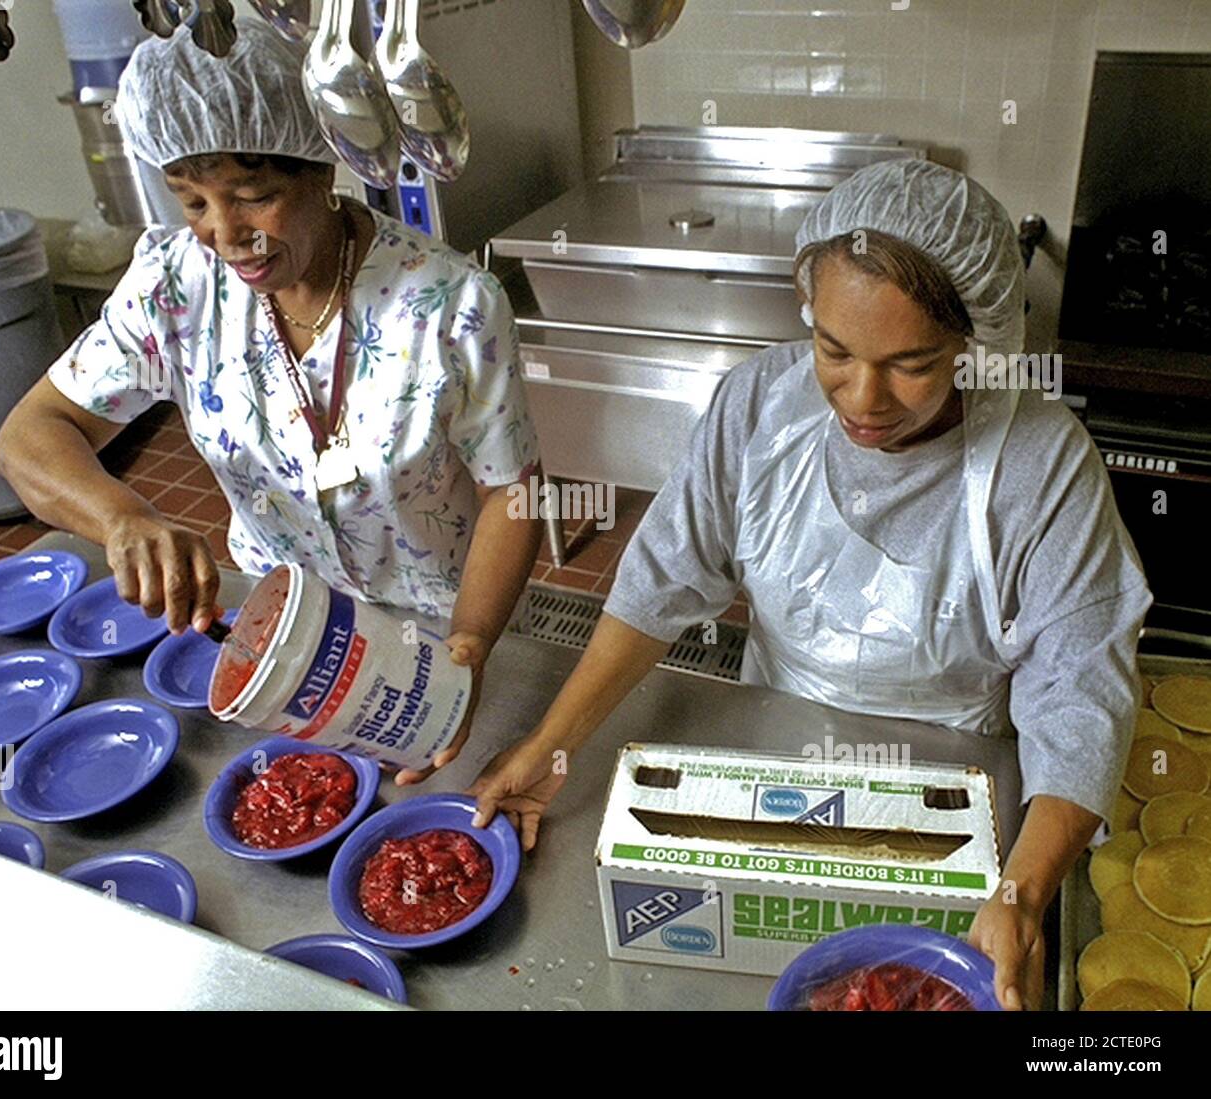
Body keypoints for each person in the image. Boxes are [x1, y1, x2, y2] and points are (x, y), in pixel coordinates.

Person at [468, 159, 1153, 1010]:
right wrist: (551, 743)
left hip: (955, 781)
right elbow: (661, 579)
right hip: (773, 745)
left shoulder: (1041, 465)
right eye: (834, 349)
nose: (863, 399)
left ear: (975, 341)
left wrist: (1021, 894)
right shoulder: (759, 405)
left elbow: (1079, 696)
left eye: (913, 363)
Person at [0, 20, 542, 783]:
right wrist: (122, 518)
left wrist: (472, 645)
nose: (224, 235)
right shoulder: (177, 286)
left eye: (255, 198)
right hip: (280, 635)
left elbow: (511, 494)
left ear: (323, 169)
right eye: (192, 203)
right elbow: (28, 437)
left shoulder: (451, 306)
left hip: (435, 636)